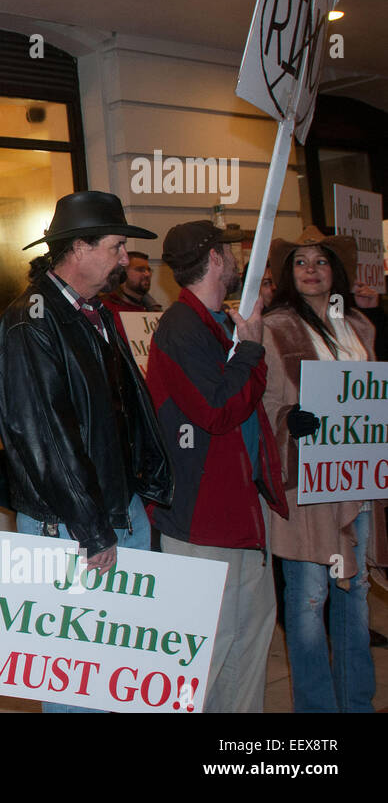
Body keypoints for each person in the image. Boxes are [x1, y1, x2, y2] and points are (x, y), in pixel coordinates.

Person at [0, 191, 172, 713]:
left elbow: (124, 412)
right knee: (78, 690)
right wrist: (91, 529)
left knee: (126, 676)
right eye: (115, 247)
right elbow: (43, 435)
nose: (123, 260)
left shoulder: (95, 315)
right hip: (74, 527)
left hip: (115, 513)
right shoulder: (32, 321)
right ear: (78, 249)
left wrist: (145, 492)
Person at [142, 221, 288, 712]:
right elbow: (218, 410)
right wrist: (250, 348)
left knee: (247, 650)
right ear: (215, 259)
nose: (236, 255)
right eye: (229, 248)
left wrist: (247, 345)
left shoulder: (216, 322)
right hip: (202, 524)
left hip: (240, 517)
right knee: (200, 661)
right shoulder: (181, 326)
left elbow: (247, 398)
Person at [262, 226, 383, 712]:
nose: (311, 270)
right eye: (300, 262)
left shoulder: (361, 326)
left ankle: (356, 704)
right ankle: (317, 712)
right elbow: (263, 405)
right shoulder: (274, 327)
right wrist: (289, 420)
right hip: (304, 485)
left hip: (356, 480)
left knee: (354, 599)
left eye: (321, 261)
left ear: (336, 271)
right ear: (289, 273)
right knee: (309, 602)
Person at [101, 250, 161, 344]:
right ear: (123, 273)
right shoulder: (106, 309)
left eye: (148, 270)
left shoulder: (154, 311)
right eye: (140, 270)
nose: (147, 274)